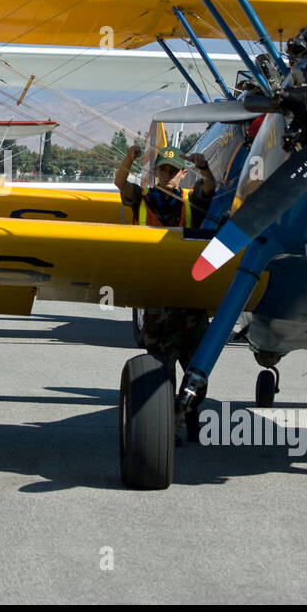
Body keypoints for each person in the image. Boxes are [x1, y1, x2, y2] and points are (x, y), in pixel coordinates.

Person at [115, 144, 216, 441]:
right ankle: (166, 424)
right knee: (162, 372)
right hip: (158, 301)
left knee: (199, 366)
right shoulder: (141, 198)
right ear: (156, 172)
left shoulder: (192, 200)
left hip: (190, 299)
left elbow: (210, 187)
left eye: (173, 170)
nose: (168, 174)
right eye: (163, 169)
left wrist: (204, 167)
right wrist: (129, 158)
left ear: (182, 174)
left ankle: (190, 412)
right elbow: (120, 184)